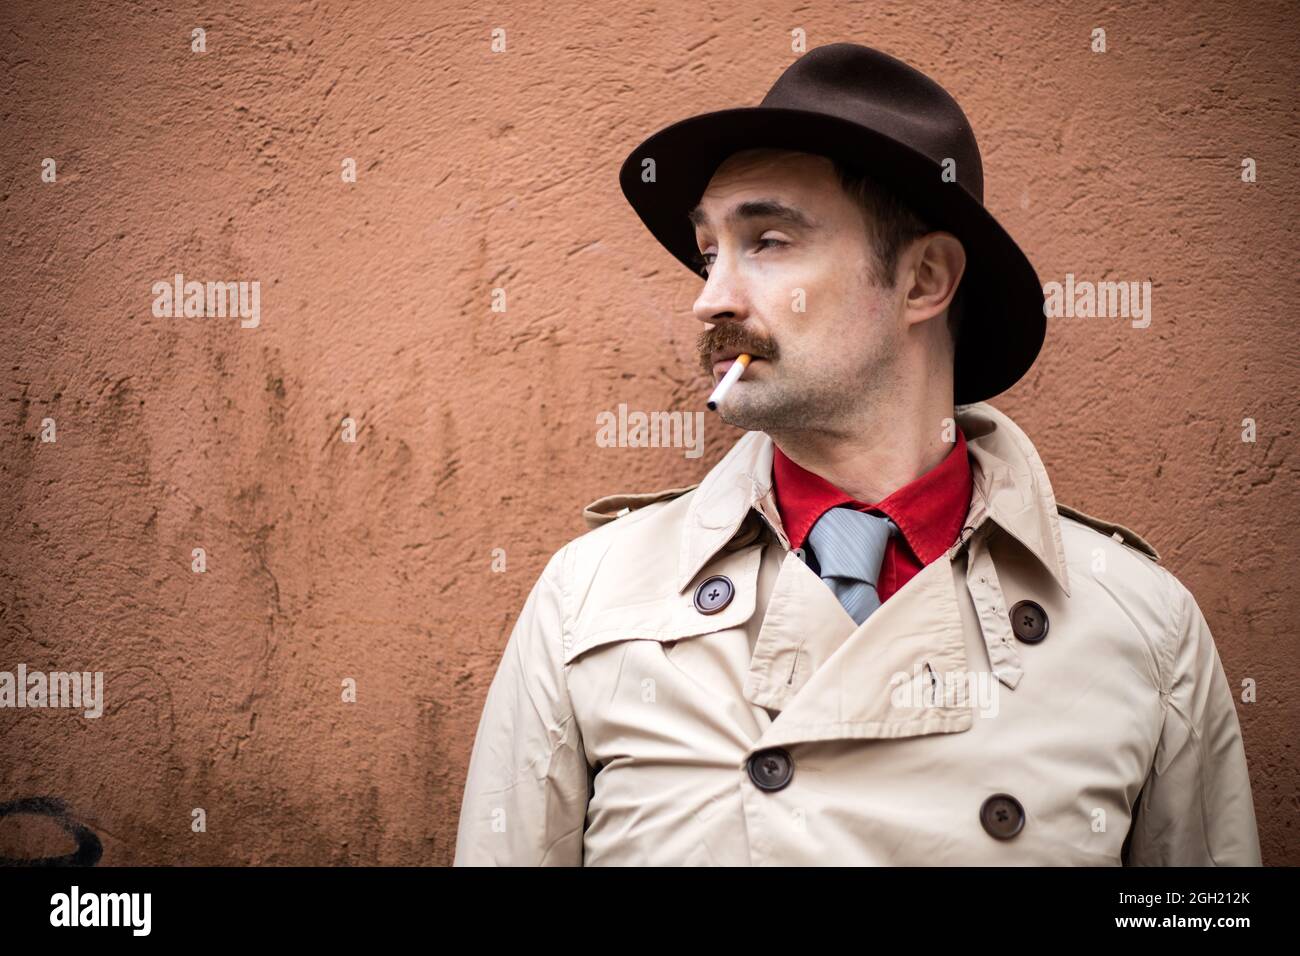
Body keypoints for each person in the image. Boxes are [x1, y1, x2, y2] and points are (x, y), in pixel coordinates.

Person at [453, 42, 1261, 866]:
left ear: (923, 281)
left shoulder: (1141, 627)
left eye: (767, 241)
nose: (711, 299)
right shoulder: (589, 598)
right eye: (709, 252)